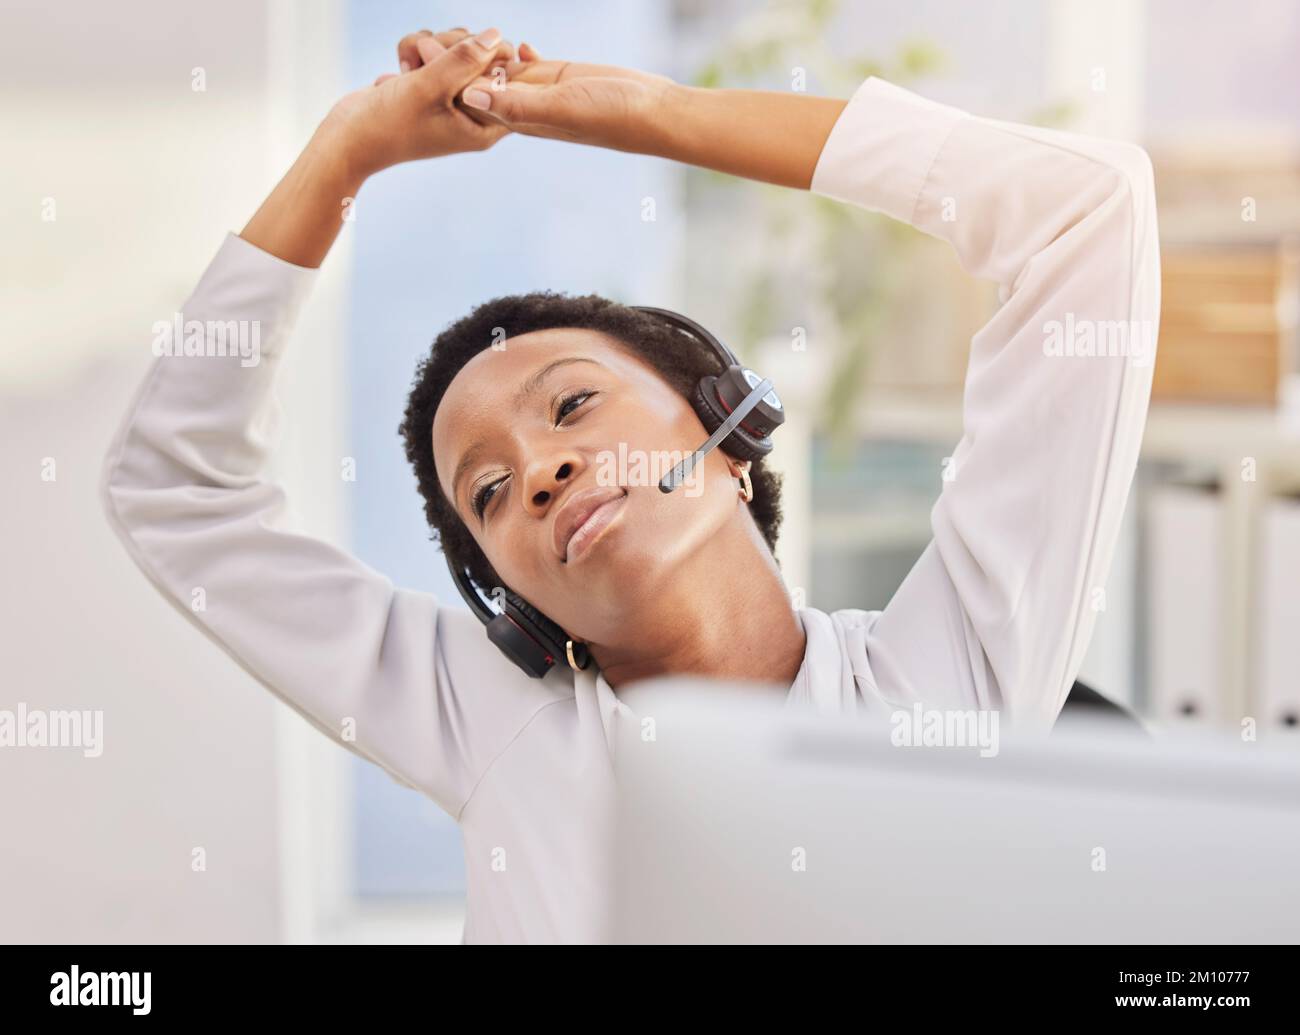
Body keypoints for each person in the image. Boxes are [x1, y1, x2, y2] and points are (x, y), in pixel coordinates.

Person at [100, 26, 1160, 942]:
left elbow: (1084, 212)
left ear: (728, 431)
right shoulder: (493, 723)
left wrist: (648, 114)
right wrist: (342, 157)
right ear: (510, 603)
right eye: (491, 495)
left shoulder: (940, 691)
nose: (545, 471)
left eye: (571, 407)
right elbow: (170, 490)